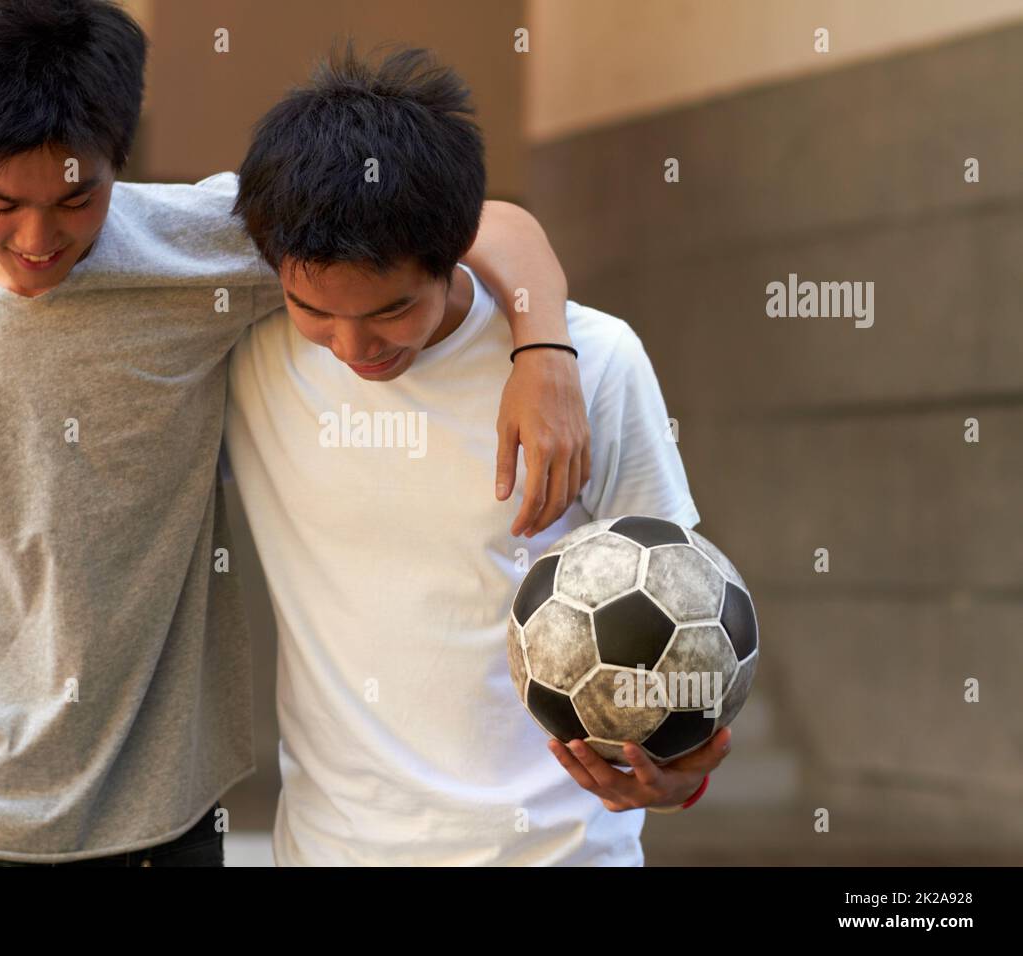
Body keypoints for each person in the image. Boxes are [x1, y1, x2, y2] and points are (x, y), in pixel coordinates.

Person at [0, 2, 590, 866]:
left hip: (160, 833)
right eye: (0, 202)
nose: (39, 238)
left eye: (77, 198)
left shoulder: (204, 247)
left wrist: (543, 348)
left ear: (121, 159)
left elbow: (475, 221)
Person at [219, 44, 732, 864]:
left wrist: (677, 775)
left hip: (561, 852)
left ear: (455, 250)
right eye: (313, 310)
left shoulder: (595, 359)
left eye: (390, 311)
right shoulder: (252, 353)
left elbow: (678, 609)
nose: (352, 346)